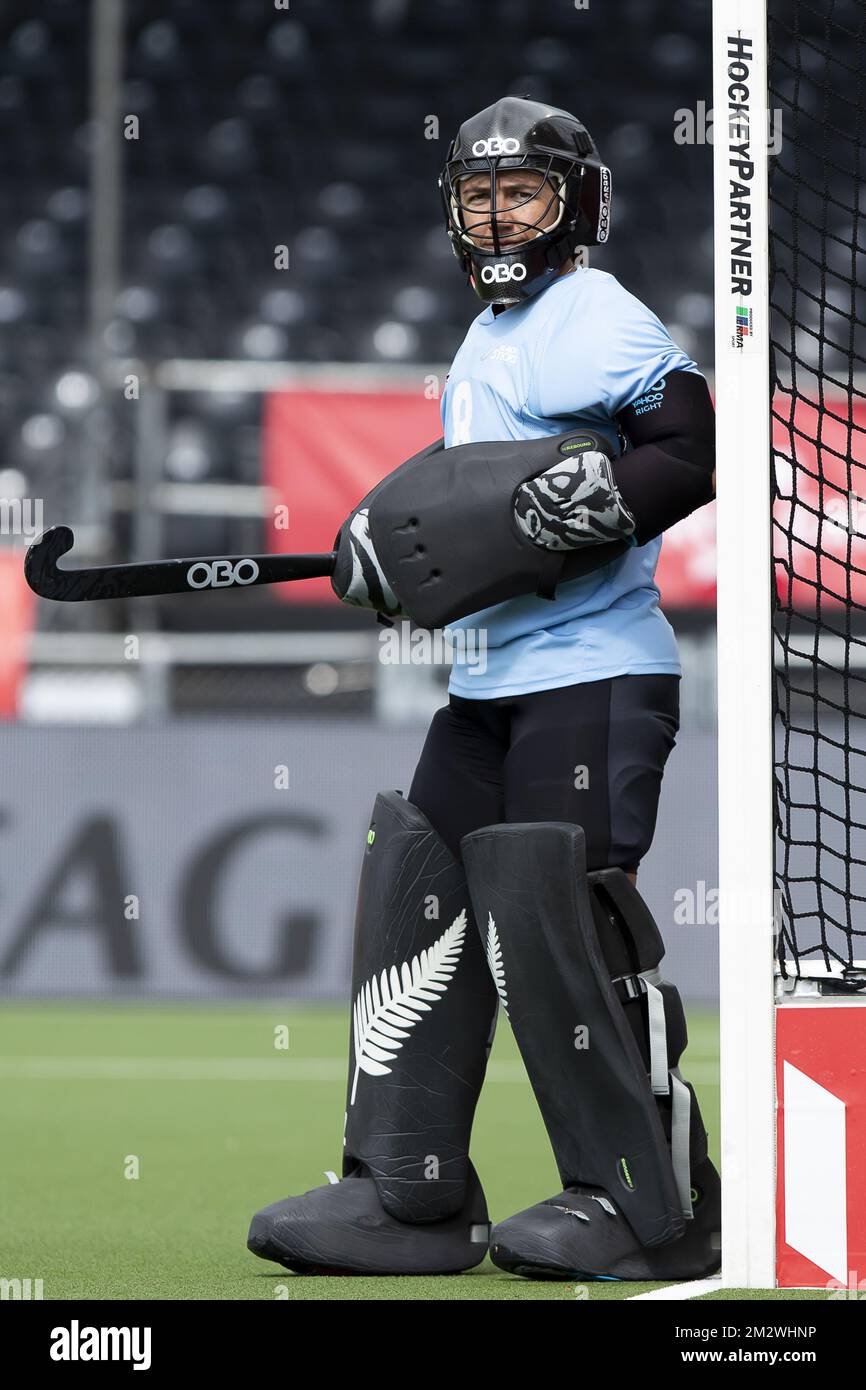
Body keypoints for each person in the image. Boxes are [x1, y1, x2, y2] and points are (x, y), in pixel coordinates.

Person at [248, 97, 720, 1282]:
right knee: (422, 895)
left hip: (594, 675)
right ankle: (408, 1197)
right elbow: (483, 516)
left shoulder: (587, 314)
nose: (499, 214)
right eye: (478, 195)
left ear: (574, 208)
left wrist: (582, 505)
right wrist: (395, 555)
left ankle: (651, 1208)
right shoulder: (486, 341)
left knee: (555, 918)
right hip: (488, 683)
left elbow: (689, 445)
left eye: (523, 192)